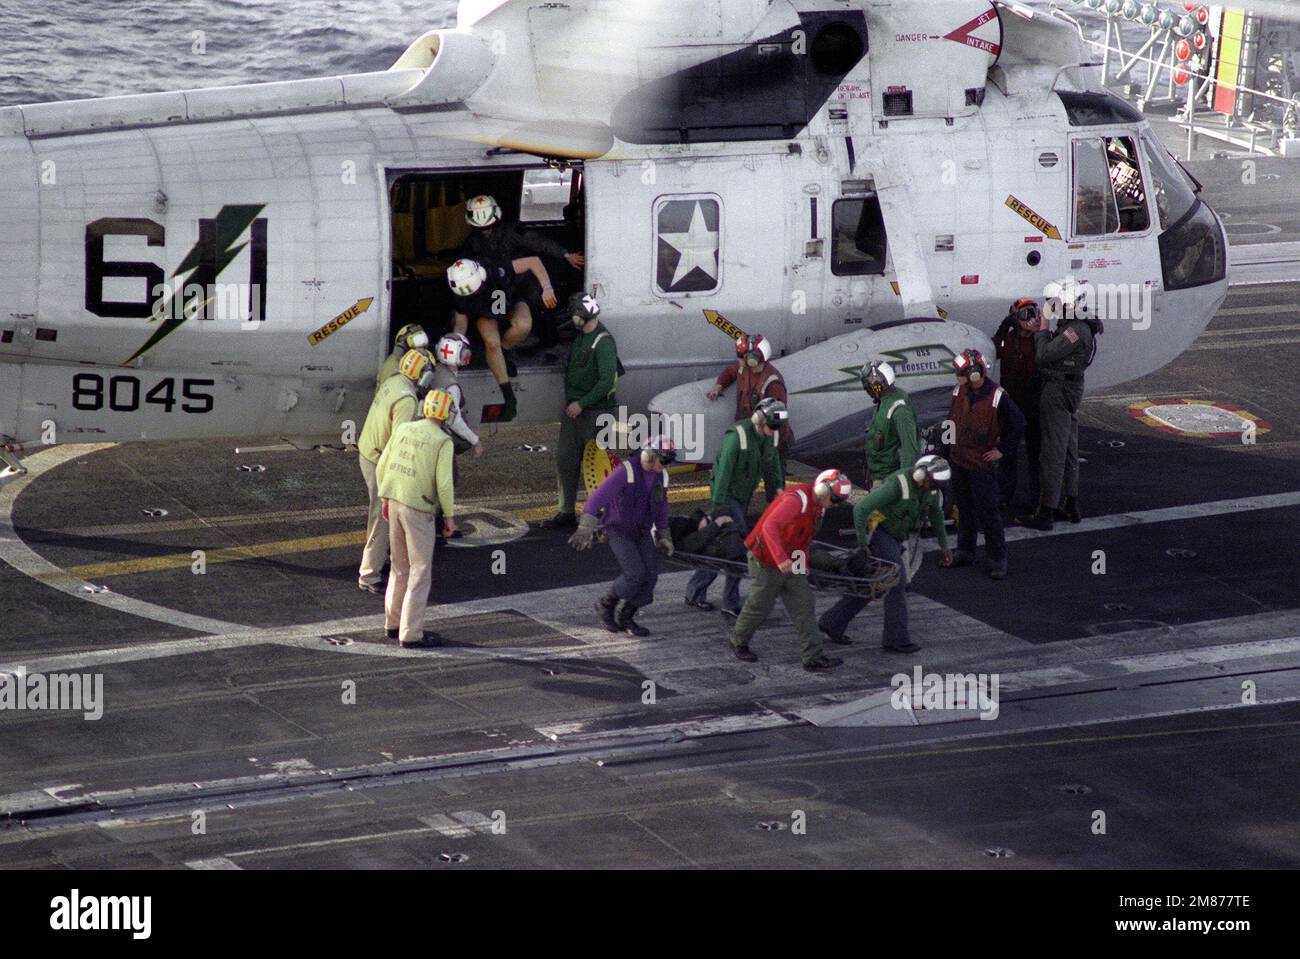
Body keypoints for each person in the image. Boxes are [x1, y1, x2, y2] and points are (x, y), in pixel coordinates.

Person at [818, 455, 954, 653]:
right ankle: (896, 639)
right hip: (879, 534)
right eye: (933, 483)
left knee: (876, 586)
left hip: (896, 537)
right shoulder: (897, 484)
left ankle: (832, 622)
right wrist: (863, 544)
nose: (935, 488)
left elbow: (936, 514)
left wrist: (944, 545)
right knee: (896, 581)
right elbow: (862, 508)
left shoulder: (930, 490)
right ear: (920, 474)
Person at [727, 468, 851, 671]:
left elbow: (804, 540)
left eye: (839, 501)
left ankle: (813, 657)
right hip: (766, 558)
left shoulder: (818, 507)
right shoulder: (796, 500)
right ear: (822, 490)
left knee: (804, 605)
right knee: (760, 605)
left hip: (790, 559)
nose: (835, 504)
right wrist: (781, 559)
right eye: (834, 499)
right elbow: (769, 527)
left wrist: (802, 567)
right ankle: (737, 640)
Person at [684, 397, 787, 619]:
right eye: (770, 426)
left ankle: (694, 592)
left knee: (721, 548)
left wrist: (777, 493)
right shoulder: (737, 437)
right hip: (727, 498)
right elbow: (722, 474)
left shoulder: (771, 435)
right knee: (738, 547)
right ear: (759, 420)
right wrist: (719, 510)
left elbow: (773, 465)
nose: (773, 431)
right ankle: (729, 602)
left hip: (743, 497)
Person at [568, 438, 677, 637]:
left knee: (650, 577)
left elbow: (662, 507)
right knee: (635, 574)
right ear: (650, 455)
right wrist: (586, 526)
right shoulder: (625, 471)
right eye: (663, 460)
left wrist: (664, 535)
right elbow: (597, 498)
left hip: (642, 532)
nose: (665, 465)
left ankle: (627, 616)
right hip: (619, 531)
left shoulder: (662, 476)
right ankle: (606, 604)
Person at [375, 388, 456, 649]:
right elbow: (444, 484)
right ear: (445, 415)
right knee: (420, 572)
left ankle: (393, 623)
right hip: (418, 509)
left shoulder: (404, 429)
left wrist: (385, 498)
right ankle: (410, 634)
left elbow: (383, 464)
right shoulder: (443, 441)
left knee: (399, 567)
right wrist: (450, 517)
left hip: (395, 501)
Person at [1017, 287, 1103, 531]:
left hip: (1058, 391)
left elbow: (1043, 355)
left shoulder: (1075, 331)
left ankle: (1046, 511)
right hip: (1069, 389)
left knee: (1052, 454)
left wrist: (1042, 329)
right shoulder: (1079, 326)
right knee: (1068, 449)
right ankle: (1070, 502)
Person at [461, 194, 585, 353]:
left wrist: (565, 255)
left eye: (489, 226)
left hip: (523, 280)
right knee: (495, 315)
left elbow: (539, 242)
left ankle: (548, 339)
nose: (486, 230)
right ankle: (503, 349)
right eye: (482, 228)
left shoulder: (511, 231)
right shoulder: (472, 243)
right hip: (497, 286)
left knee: (542, 300)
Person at [356, 348, 436, 594]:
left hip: (368, 452)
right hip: (381, 460)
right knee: (382, 517)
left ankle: (384, 560)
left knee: (383, 516)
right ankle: (369, 575)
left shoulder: (393, 381)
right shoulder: (407, 400)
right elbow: (400, 440)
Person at [542, 293, 621, 531]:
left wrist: (582, 403)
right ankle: (566, 511)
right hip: (576, 411)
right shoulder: (583, 337)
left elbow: (607, 380)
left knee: (597, 467)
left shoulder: (603, 341)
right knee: (566, 459)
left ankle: (605, 514)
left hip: (595, 412)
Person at [943, 349, 1024, 580]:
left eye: (960, 374)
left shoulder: (998, 396)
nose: (957, 378)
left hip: (980, 464)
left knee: (988, 513)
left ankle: (998, 559)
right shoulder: (960, 390)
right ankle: (966, 551)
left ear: (975, 374)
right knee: (964, 509)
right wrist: (946, 451)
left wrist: (1002, 451)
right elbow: (951, 420)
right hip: (959, 460)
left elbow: (1018, 424)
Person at [447, 254, 555, 423]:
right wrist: (454, 350)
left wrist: (547, 288)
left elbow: (533, 261)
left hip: (511, 304)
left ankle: (504, 352)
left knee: (523, 325)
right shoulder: (460, 294)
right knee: (491, 343)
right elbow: (461, 326)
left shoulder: (495, 268)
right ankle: (508, 395)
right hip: (486, 315)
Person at [993, 298, 1043, 508]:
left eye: (1033, 313)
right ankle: (1005, 496)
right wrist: (1003, 328)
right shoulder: (1008, 339)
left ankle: (1037, 498)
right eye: (1024, 314)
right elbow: (993, 350)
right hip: (1011, 407)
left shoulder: (1040, 340)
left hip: (1034, 405)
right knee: (1008, 454)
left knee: (1036, 455)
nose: (1030, 319)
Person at [707, 334, 793, 453]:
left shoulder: (773, 383)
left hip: (770, 445)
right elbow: (729, 372)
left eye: (741, 356)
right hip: (750, 436)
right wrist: (718, 387)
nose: (738, 359)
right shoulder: (743, 368)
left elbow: (779, 417)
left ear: (753, 360)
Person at [862, 359, 921, 489]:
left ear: (877, 385)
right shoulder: (885, 400)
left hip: (888, 480)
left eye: (868, 386)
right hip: (879, 474)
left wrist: (905, 486)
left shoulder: (900, 411)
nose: (867, 390)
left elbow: (909, 450)